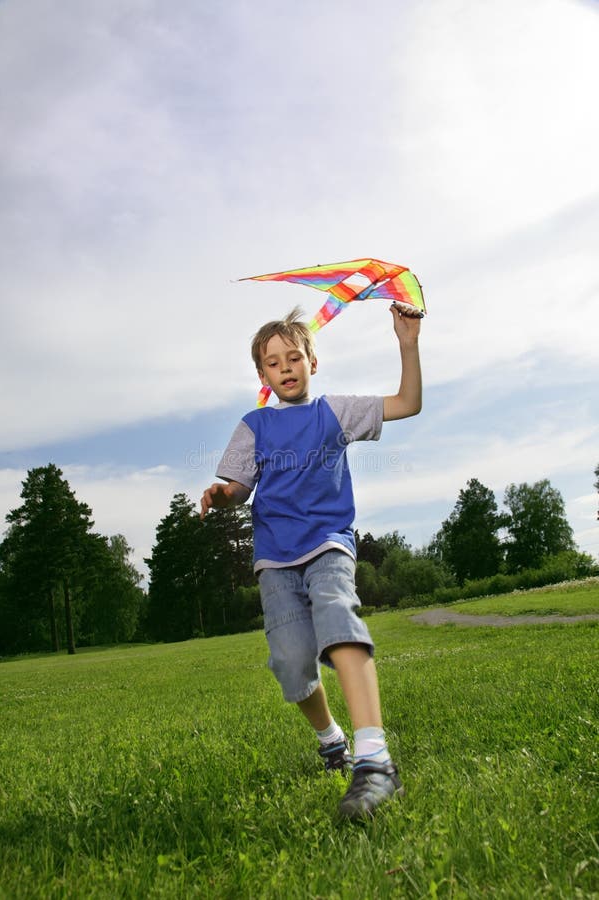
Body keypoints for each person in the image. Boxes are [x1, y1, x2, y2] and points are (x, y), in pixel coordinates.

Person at [200, 302, 422, 819]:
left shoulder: (334, 412)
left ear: (311, 363)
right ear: (262, 375)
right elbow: (239, 488)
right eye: (273, 362)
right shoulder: (253, 426)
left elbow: (408, 402)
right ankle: (331, 739)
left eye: (294, 357)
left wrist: (407, 345)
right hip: (275, 558)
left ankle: (375, 761)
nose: (286, 368)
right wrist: (222, 493)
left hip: (327, 543)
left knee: (337, 617)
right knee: (291, 660)